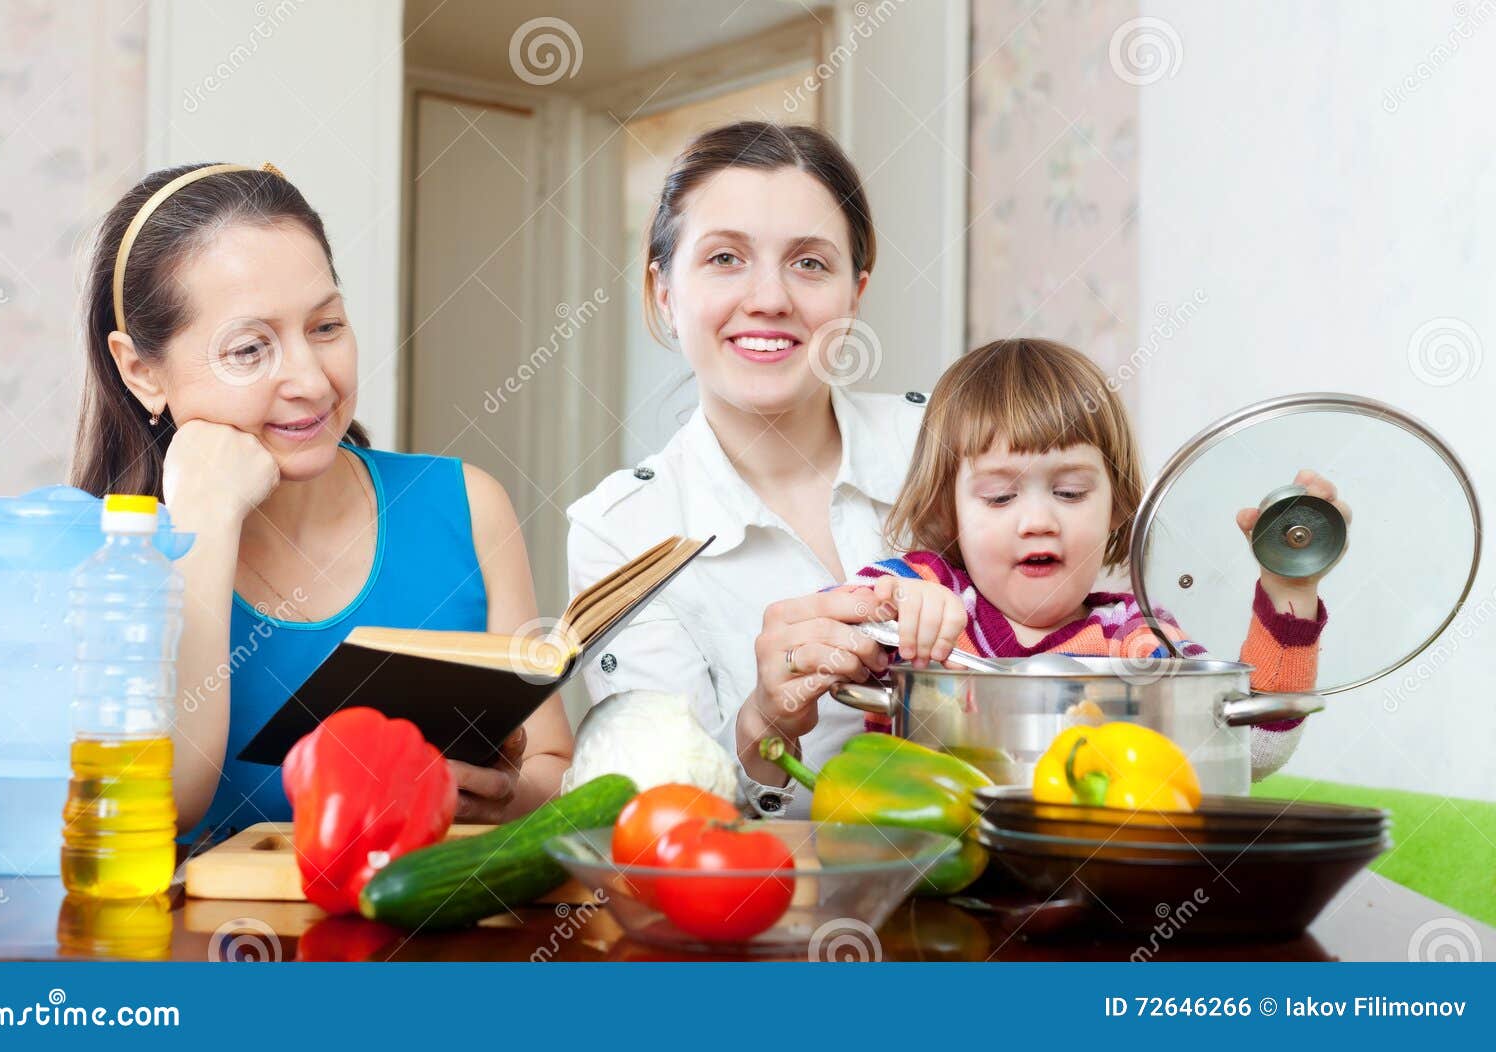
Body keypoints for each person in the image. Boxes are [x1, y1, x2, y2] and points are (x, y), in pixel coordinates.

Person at [70, 162, 571, 841]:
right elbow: (159, 813)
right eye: (250, 348)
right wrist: (205, 523)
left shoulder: (467, 507)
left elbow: (548, 761)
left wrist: (507, 802)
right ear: (142, 371)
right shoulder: (109, 562)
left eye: (327, 326)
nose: (310, 379)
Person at [567, 122, 921, 817]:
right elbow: (667, 819)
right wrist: (765, 722)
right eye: (725, 257)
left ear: (857, 294)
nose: (769, 298)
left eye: (810, 263)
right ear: (664, 291)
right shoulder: (621, 534)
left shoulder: (947, 444)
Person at [841, 337, 1345, 780]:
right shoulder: (925, 584)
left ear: (1117, 508)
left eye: (1070, 491)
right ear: (947, 513)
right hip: (933, 876)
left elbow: (1250, 747)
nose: (1037, 520)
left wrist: (1291, 591)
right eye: (999, 497)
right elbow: (836, 628)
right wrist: (901, 606)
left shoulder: (1137, 636)